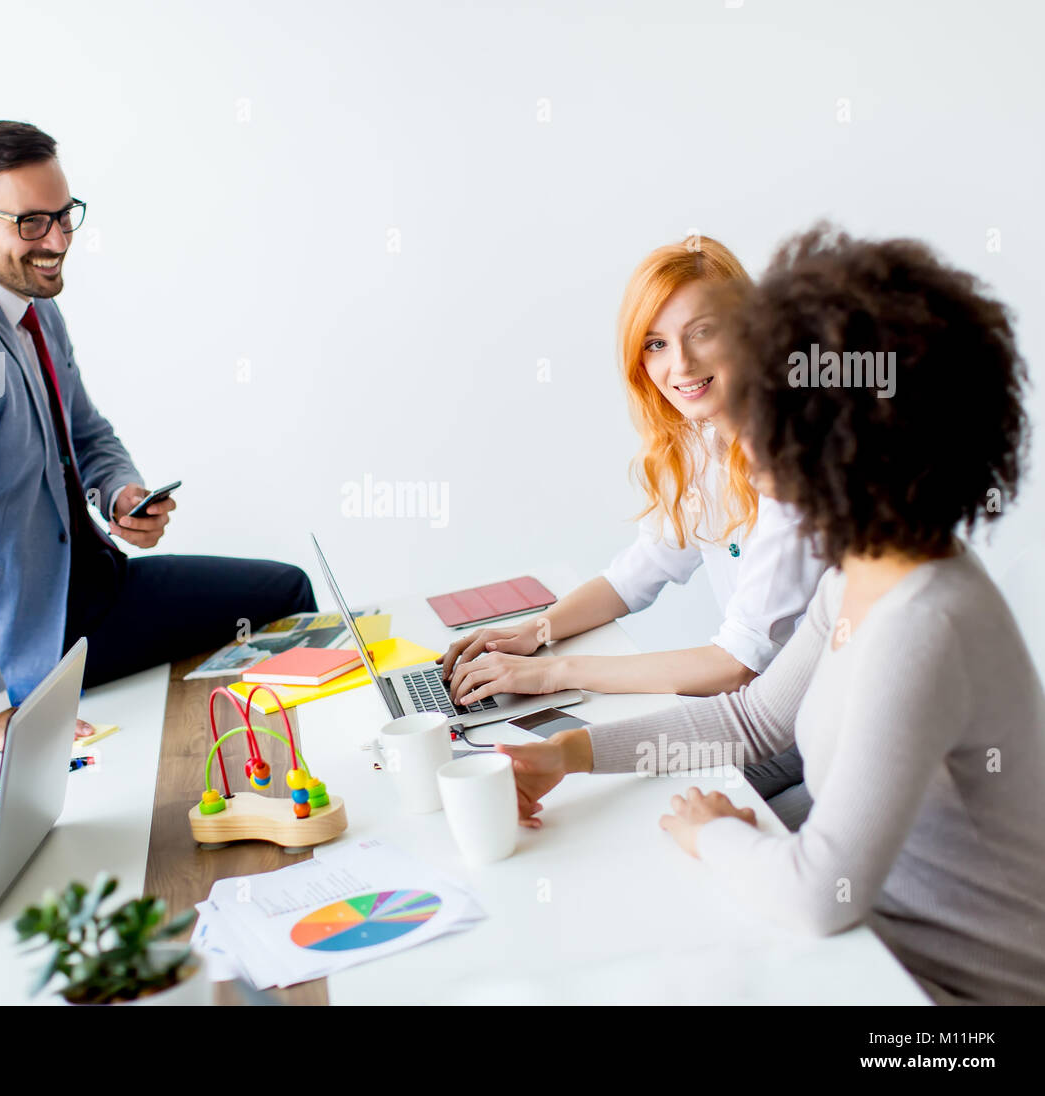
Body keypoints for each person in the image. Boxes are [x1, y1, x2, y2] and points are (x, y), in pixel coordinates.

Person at [498, 226, 1045, 1004]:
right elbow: (751, 723)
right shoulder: (862, 570)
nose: (745, 445)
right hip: (873, 960)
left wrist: (714, 832)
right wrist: (569, 753)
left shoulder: (926, 620)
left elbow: (821, 894)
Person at [0, 121, 315, 749]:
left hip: (91, 585)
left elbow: (86, 433)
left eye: (65, 215)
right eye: (31, 221)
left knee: (283, 593)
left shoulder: (31, 302)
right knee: (280, 600)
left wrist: (118, 493)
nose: (57, 239)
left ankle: (287, 772)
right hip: (31, 629)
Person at [438, 236, 823, 822]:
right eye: (657, 344)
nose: (681, 366)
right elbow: (640, 573)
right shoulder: (705, 441)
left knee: (619, 807)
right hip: (758, 712)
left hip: (808, 726)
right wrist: (533, 631)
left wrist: (549, 674)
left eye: (703, 332)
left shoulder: (790, 464)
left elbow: (735, 661)